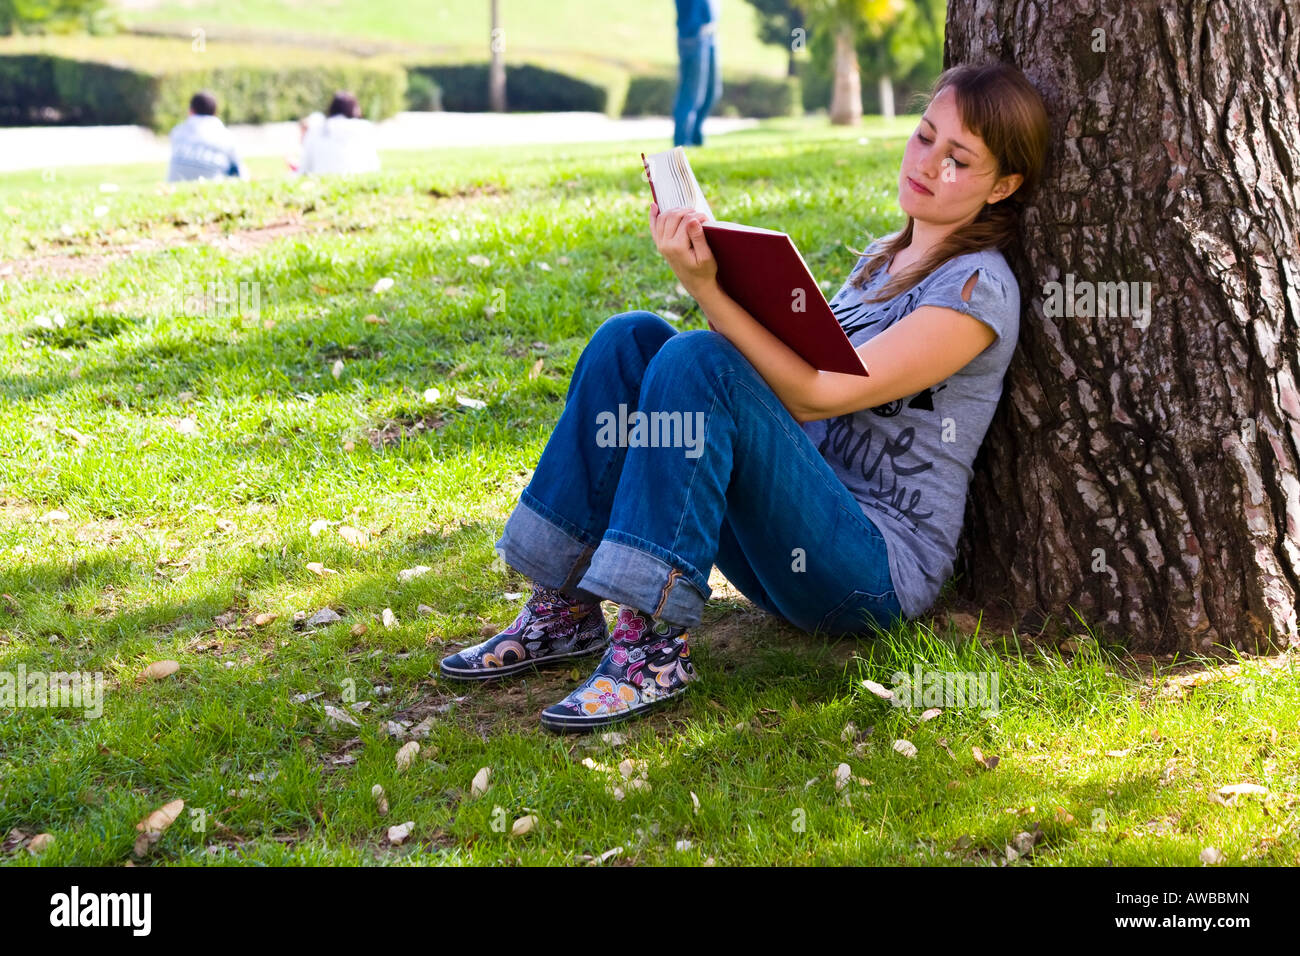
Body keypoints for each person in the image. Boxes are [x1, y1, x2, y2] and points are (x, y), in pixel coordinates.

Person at [438, 62, 1050, 734]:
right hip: (790, 532)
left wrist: (706, 290)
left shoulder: (975, 291)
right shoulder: (881, 258)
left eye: (958, 159)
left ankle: (650, 650)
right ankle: (563, 607)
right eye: (925, 136)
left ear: (1004, 185)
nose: (928, 163)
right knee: (632, 341)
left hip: (868, 569)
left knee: (699, 357)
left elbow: (819, 396)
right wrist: (722, 263)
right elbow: (783, 391)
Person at [293, 91, 380, 176]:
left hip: (321, 183)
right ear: (354, 109)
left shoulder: (316, 129)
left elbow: (304, 169)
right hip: (358, 181)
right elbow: (374, 167)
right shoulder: (364, 127)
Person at [167, 91, 246, 183]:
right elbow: (242, 173)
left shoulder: (177, 132)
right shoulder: (225, 135)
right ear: (215, 112)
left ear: (191, 111)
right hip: (212, 186)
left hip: (174, 187)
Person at [672, 0, 721, 147]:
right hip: (693, 35)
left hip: (710, 34)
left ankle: (695, 138)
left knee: (712, 92)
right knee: (691, 94)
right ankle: (682, 143)